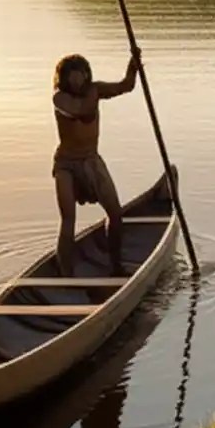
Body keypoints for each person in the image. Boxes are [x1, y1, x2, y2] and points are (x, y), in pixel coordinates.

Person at [50, 49, 142, 277]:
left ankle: (116, 267)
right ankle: (66, 276)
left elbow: (126, 86)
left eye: (81, 73)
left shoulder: (94, 90)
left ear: (87, 74)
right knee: (68, 220)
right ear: (64, 78)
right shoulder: (59, 98)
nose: (77, 79)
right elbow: (80, 111)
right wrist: (95, 93)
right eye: (72, 74)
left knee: (115, 214)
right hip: (66, 165)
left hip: (91, 160)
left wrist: (133, 66)